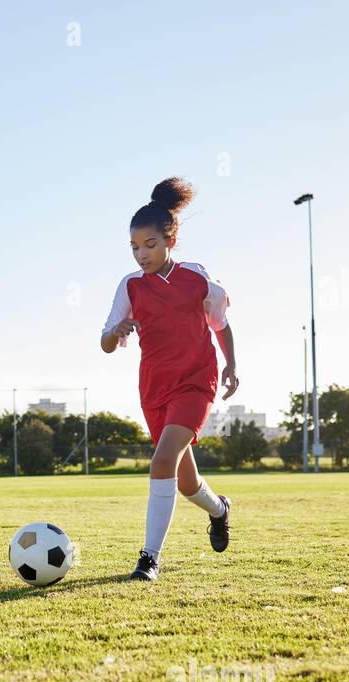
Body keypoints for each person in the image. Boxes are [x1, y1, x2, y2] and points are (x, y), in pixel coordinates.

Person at [100, 177, 239, 581]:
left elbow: (221, 325)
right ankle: (220, 509)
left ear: (170, 240)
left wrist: (232, 365)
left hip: (196, 382)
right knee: (185, 482)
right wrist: (119, 329)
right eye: (134, 247)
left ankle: (149, 559)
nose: (141, 254)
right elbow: (105, 342)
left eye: (150, 245)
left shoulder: (197, 278)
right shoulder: (130, 286)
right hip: (154, 389)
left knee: (161, 462)